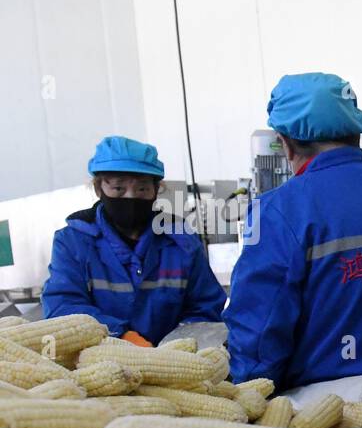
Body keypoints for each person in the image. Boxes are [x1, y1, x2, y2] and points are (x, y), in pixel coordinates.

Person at [224, 73, 362, 399]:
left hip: (330, 413)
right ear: (356, 132)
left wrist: (247, 395)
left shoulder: (278, 211)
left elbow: (260, 331)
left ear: (284, 142)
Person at [42, 136, 225, 346]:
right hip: (99, 363)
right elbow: (62, 306)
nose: (131, 198)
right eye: (118, 189)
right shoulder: (73, 242)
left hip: (172, 362)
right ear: (98, 189)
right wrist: (119, 335)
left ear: (156, 190)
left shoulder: (181, 242)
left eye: (142, 189)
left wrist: (179, 345)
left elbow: (207, 306)